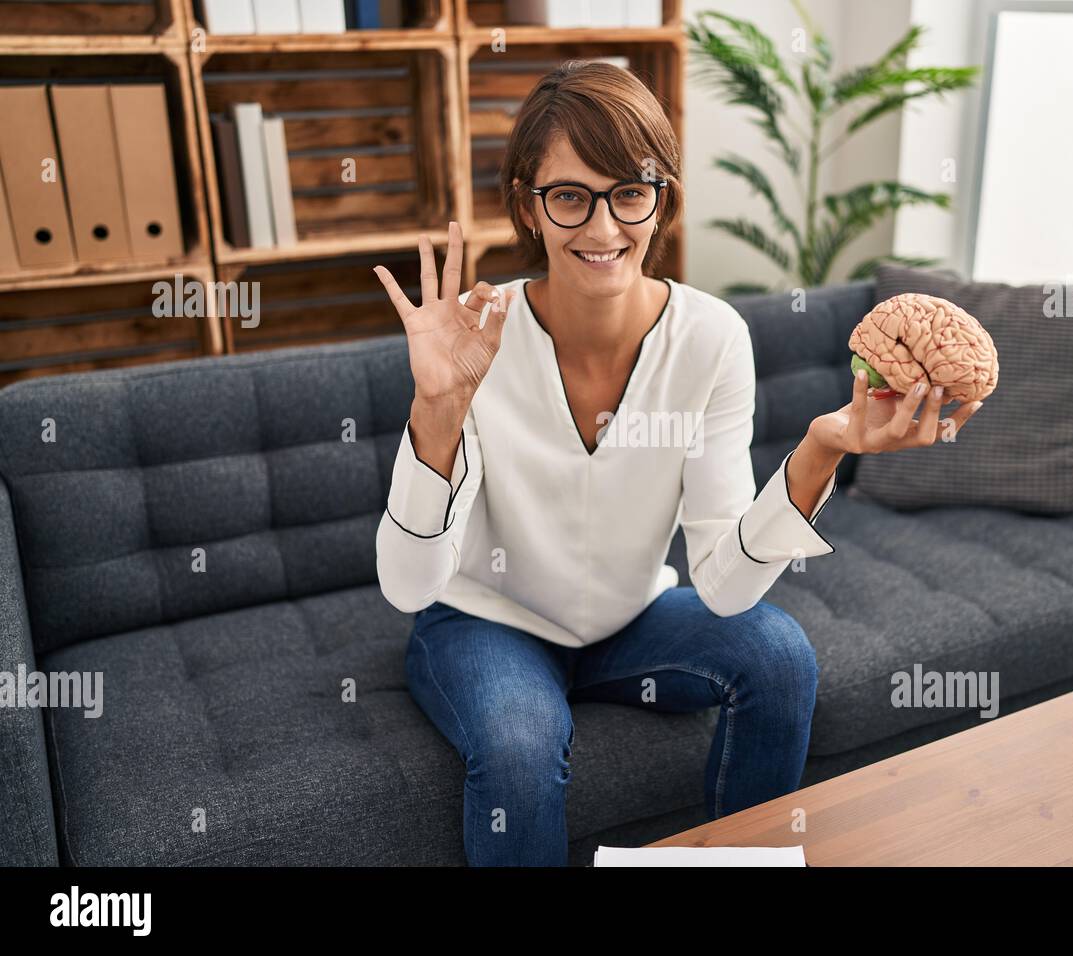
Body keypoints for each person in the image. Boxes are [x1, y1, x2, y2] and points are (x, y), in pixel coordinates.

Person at [372, 61, 981, 866]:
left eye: (630, 191)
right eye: (569, 196)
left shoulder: (712, 338)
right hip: (487, 623)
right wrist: (438, 411)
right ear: (529, 204)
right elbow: (410, 586)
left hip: (630, 619)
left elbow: (725, 588)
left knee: (780, 656)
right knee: (521, 746)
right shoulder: (477, 338)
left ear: (662, 198)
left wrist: (821, 447)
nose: (602, 228)